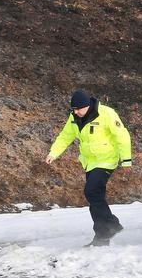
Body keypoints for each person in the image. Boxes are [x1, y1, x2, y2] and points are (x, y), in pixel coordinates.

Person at [47, 89, 133, 246]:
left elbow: (122, 136)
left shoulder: (106, 114)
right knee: (94, 198)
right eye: (74, 109)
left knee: (91, 191)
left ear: (87, 105)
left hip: (107, 160)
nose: (76, 112)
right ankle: (102, 237)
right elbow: (65, 137)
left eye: (79, 108)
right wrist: (54, 153)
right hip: (89, 162)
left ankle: (111, 225)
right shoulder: (74, 118)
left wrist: (126, 159)